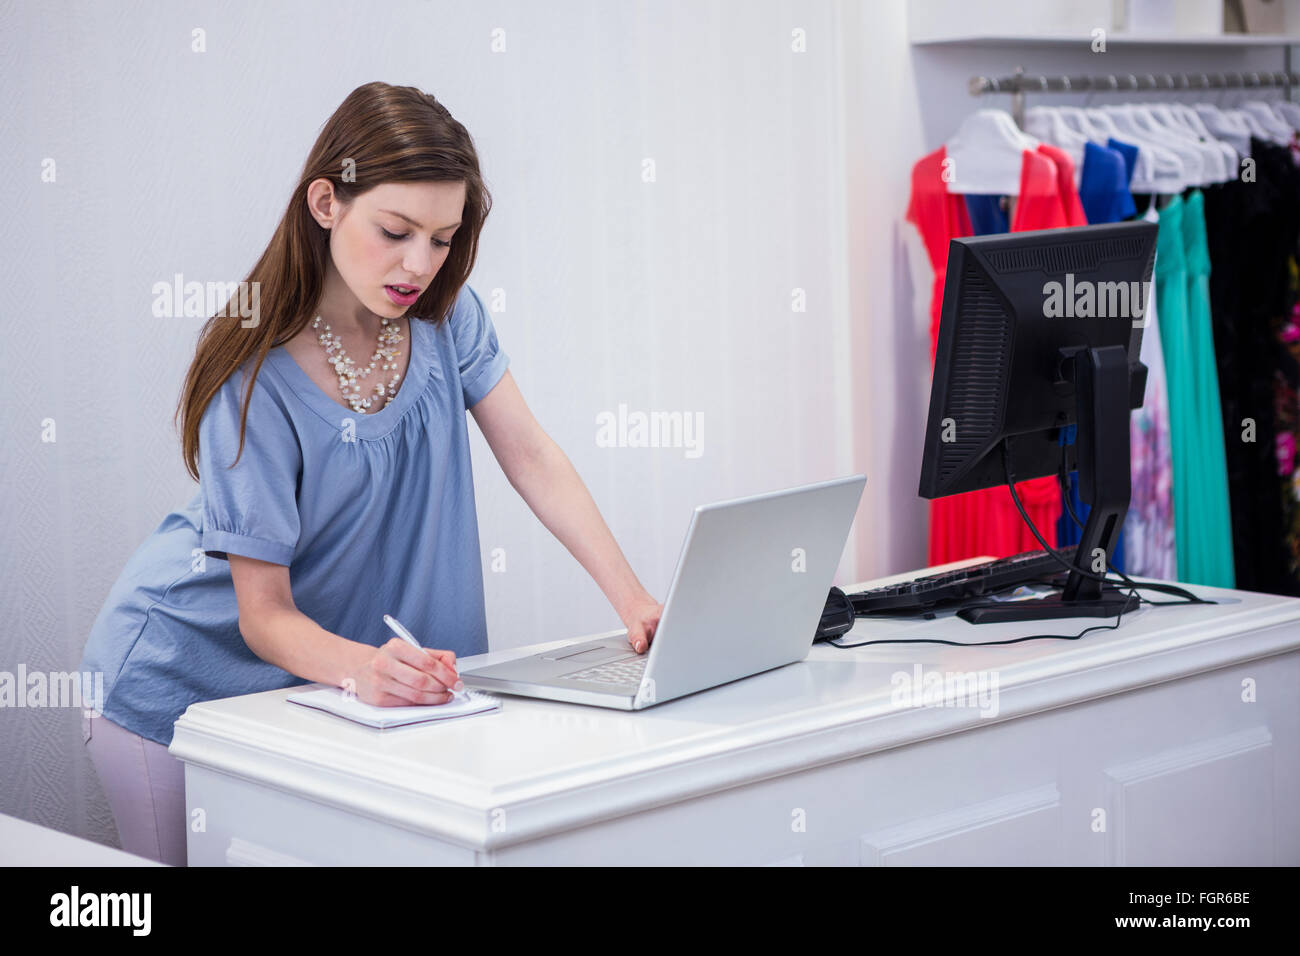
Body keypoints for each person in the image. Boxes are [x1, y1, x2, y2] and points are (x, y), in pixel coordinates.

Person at [79, 82, 663, 867]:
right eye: (396, 231)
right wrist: (362, 668)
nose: (419, 264)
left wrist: (634, 602)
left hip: (342, 695)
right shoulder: (254, 375)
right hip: (184, 672)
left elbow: (532, 456)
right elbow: (262, 614)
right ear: (326, 203)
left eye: (443, 238)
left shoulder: (449, 321)